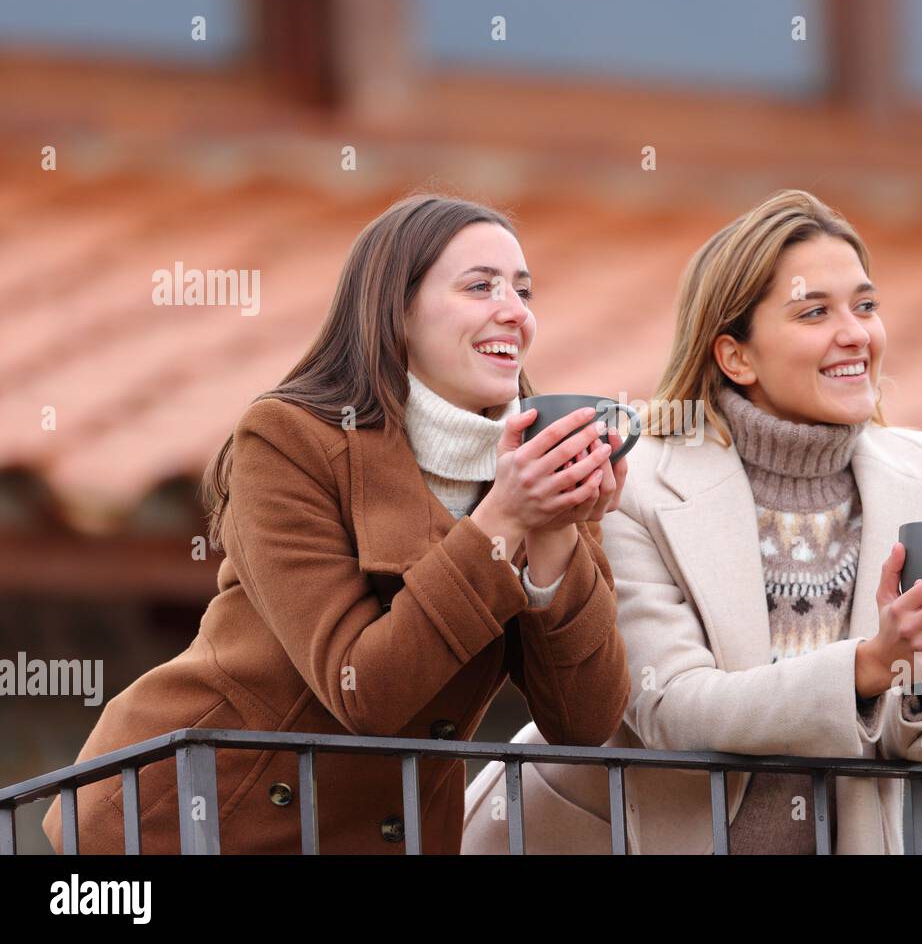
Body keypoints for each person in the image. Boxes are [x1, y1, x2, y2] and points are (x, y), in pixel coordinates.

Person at [42, 193, 630, 854]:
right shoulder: (288, 440)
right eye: (480, 286)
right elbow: (365, 692)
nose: (514, 312)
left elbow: (585, 724)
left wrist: (552, 534)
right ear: (397, 310)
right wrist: (504, 520)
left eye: (523, 291)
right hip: (197, 822)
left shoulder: (533, 467)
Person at [462, 188, 922, 854]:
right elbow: (672, 709)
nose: (856, 333)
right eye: (815, 312)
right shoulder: (639, 481)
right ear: (735, 357)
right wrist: (869, 665)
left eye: (865, 306)